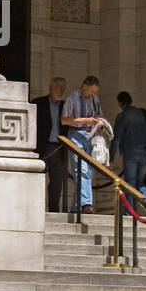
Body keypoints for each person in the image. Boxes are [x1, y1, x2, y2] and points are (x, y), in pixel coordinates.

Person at [111, 91, 146, 215]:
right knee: (140, 181)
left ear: (120, 103)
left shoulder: (122, 116)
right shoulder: (143, 112)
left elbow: (116, 139)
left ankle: (129, 212)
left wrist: (110, 158)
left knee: (130, 183)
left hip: (130, 153)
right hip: (145, 152)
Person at [61, 76, 102, 213]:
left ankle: (75, 207)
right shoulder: (72, 98)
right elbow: (65, 120)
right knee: (81, 170)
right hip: (76, 135)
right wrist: (85, 120)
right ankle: (86, 204)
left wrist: (101, 122)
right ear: (84, 86)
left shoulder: (95, 99)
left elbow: (100, 115)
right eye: (91, 91)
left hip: (91, 136)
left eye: (94, 92)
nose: (92, 94)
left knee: (88, 172)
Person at [32, 77, 67, 212]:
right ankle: (36, 208)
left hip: (59, 148)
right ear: (51, 88)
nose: (61, 91)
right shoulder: (37, 103)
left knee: (57, 182)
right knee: (37, 178)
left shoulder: (65, 106)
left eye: (63, 88)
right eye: (58, 87)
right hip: (42, 147)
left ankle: (54, 209)